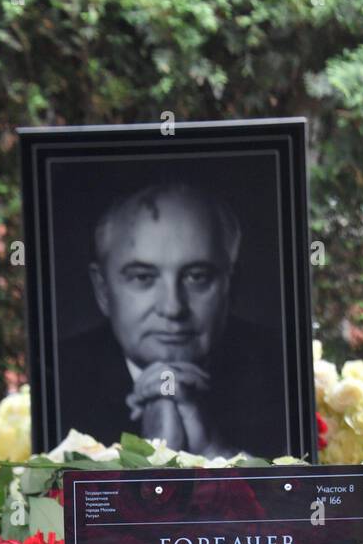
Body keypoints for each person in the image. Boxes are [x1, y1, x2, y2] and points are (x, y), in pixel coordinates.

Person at [58, 182, 288, 457]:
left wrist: (218, 453)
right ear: (103, 290)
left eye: (197, 277)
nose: (173, 308)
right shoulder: (57, 380)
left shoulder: (285, 371)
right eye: (143, 277)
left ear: (232, 285)